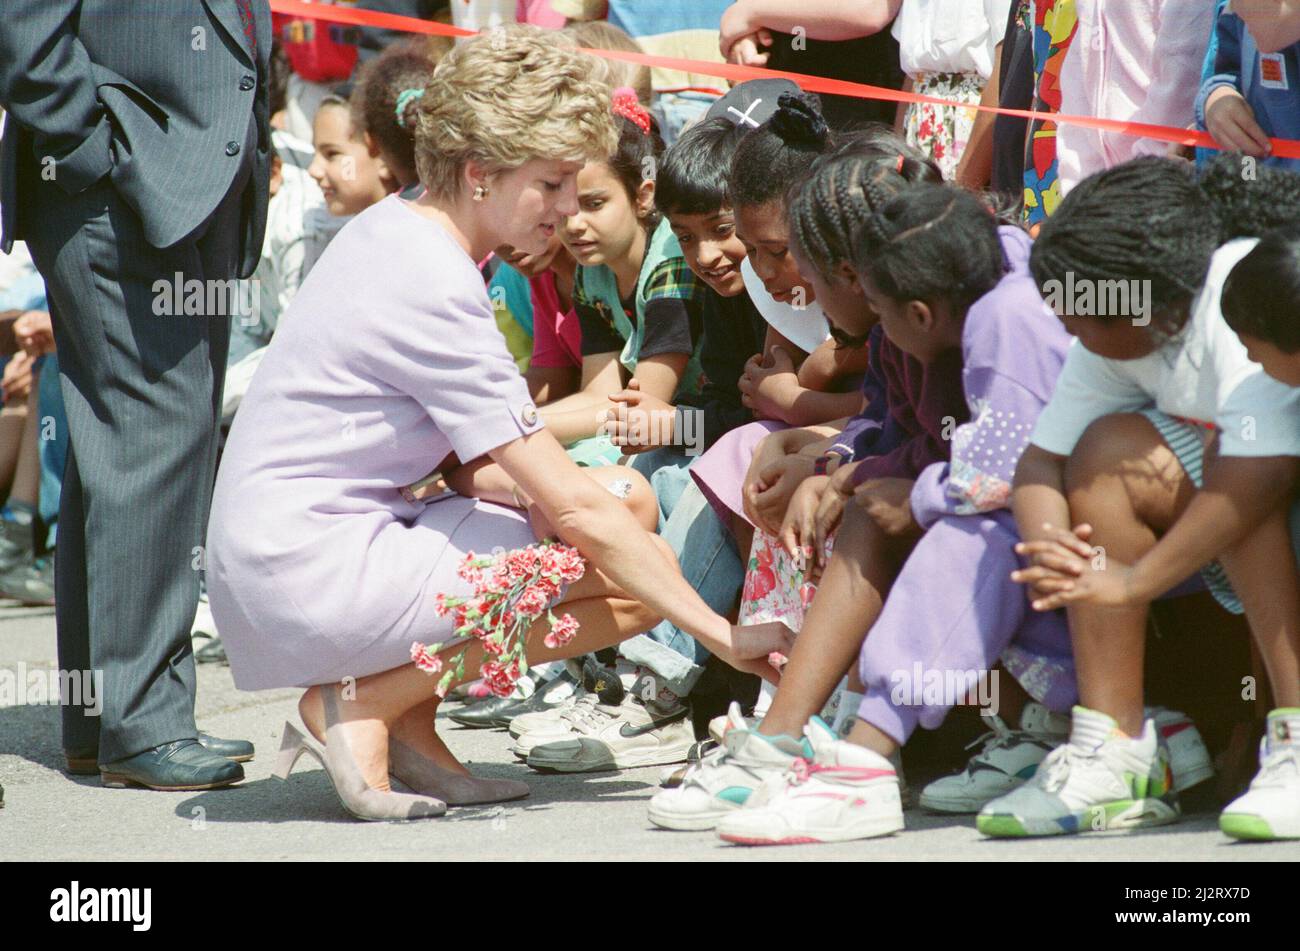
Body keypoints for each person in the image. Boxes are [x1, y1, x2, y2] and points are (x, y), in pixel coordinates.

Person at [206, 26, 792, 822]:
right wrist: (725, 635)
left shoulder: (403, 228)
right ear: (480, 175)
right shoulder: (434, 276)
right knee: (636, 564)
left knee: (618, 503)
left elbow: (461, 466)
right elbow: (575, 508)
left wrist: (554, 501)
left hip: (295, 551)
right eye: (551, 184)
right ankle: (363, 701)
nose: (563, 209)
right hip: (311, 568)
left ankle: (406, 724)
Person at [980, 156, 1300, 840]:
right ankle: (1116, 749)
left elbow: (1262, 473)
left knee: (1234, 474)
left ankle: (1296, 738)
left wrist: (1132, 581)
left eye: (1078, 316)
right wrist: (1051, 545)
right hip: (1243, 486)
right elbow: (1042, 459)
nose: (1069, 333)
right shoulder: (1119, 334)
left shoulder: (1235, 287)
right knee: (1106, 451)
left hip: (1272, 492)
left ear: (1144, 301)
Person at [0, 0, 270, 790]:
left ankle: (108, 717)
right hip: (122, 178)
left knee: (123, 444)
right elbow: (25, 32)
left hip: (177, 174)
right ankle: (142, 720)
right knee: (154, 436)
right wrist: (91, 147)